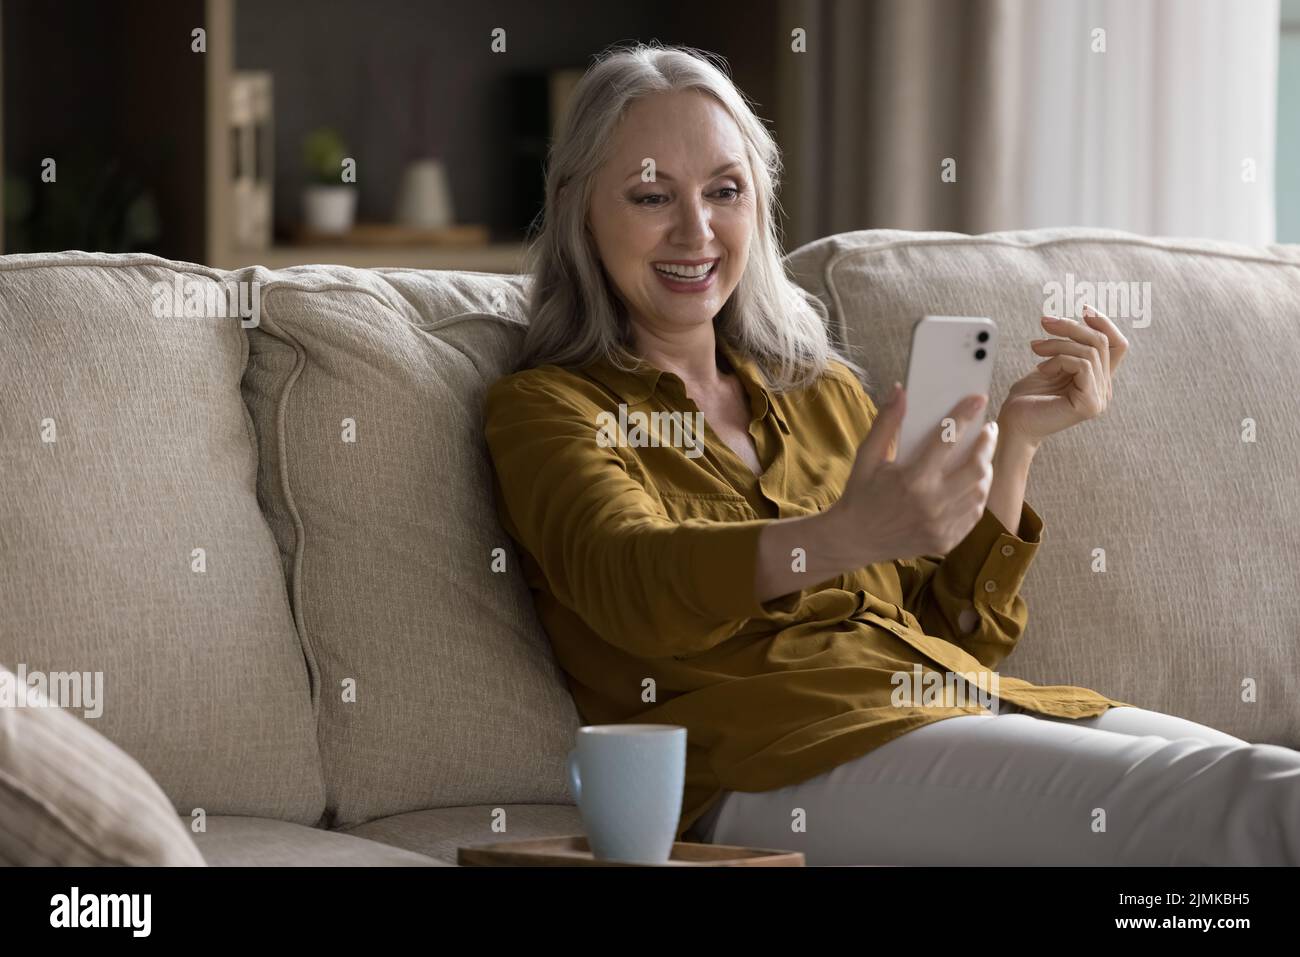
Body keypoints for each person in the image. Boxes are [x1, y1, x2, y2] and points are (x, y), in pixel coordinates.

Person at [483, 41, 1300, 865]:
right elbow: (631, 578)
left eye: (725, 191)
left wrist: (1015, 440)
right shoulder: (548, 410)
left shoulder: (821, 393)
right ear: (581, 209)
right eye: (652, 194)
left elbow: (948, 636)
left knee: (1274, 779)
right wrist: (841, 536)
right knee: (1249, 806)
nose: (696, 229)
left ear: (758, 205)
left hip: (950, 709)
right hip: (774, 768)